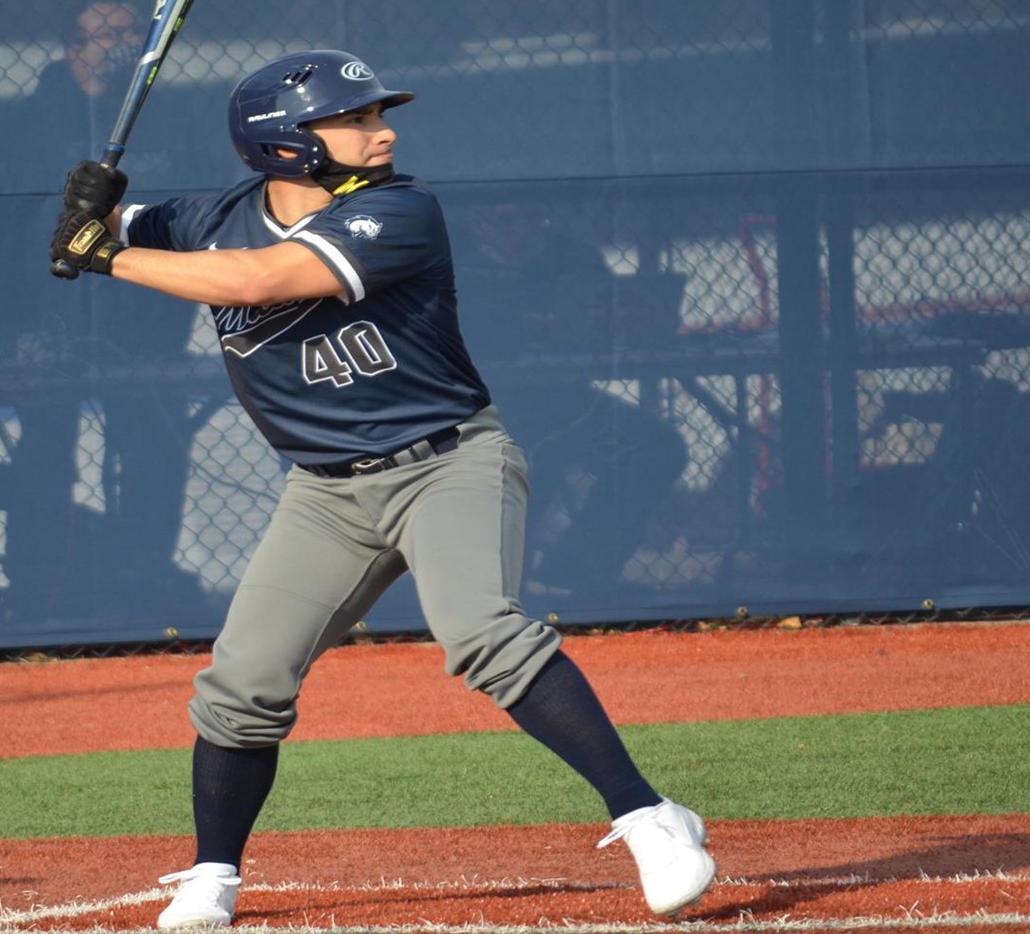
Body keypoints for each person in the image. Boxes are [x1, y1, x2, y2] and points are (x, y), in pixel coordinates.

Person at [46, 50, 716, 927]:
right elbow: (127, 221)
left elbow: (260, 278)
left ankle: (649, 817)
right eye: (355, 119)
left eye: (376, 114)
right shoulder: (212, 215)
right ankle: (213, 875)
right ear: (285, 145)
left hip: (447, 462)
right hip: (325, 492)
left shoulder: (400, 210)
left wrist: (108, 258)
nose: (383, 129)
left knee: (483, 633)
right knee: (242, 683)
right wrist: (95, 209)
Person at [0, 2, 207, 621]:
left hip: (145, 320)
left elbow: (192, 217)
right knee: (45, 449)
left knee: (154, 447)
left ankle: (141, 582)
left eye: (128, 33)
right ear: (70, 47)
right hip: (46, 316)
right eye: (99, 35)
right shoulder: (26, 123)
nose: (114, 45)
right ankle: (35, 592)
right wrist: (10, 328)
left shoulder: (175, 117)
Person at [451, 202, 690, 597]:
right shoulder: (450, 261)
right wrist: (514, 323)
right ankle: (503, 594)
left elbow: (607, 318)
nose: (520, 231)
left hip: (571, 404)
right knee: (528, 462)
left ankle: (579, 569)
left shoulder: (575, 256)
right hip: (483, 408)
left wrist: (621, 324)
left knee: (657, 446)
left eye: (531, 219)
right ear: (477, 221)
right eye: (505, 219)